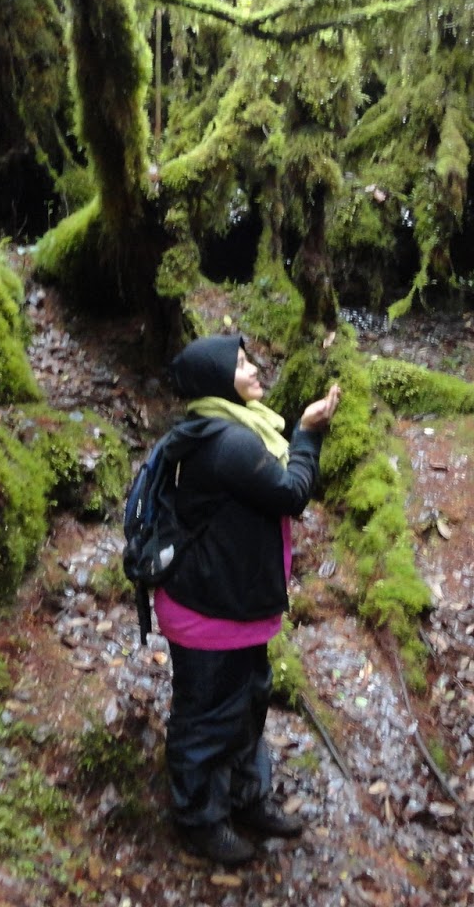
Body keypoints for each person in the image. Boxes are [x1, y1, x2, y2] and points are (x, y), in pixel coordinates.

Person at [155, 333, 342, 866]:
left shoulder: (225, 429)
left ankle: (246, 798)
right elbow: (290, 492)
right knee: (208, 715)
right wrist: (308, 435)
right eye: (240, 364)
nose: (255, 368)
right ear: (218, 381)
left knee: (247, 705)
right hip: (210, 611)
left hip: (231, 604)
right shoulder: (228, 442)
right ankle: (200, 820)